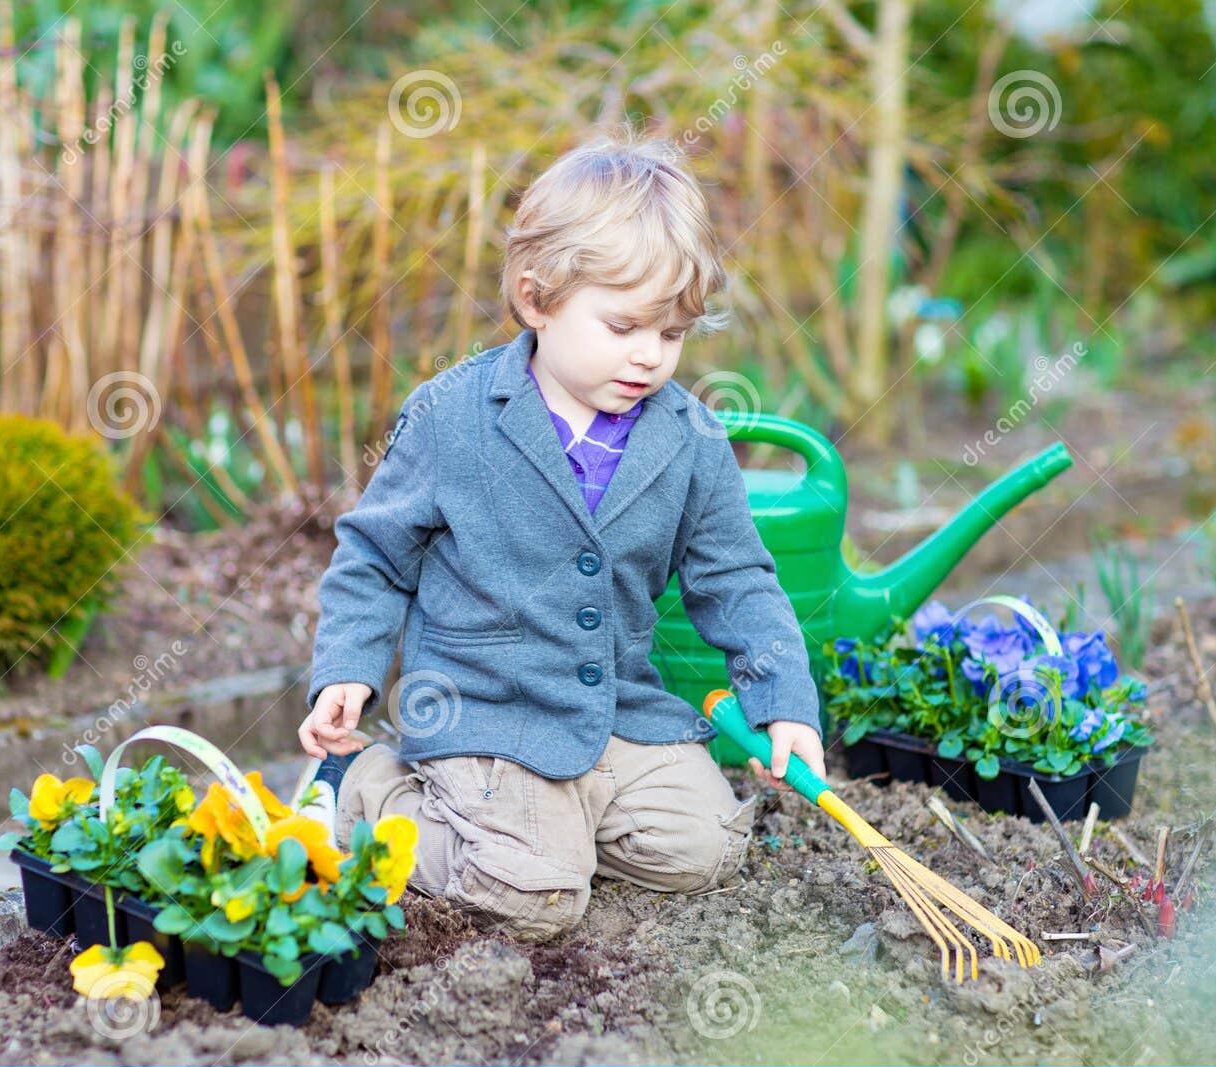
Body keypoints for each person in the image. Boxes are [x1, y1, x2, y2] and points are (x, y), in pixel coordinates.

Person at [298, 127, 824, 941]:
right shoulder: (453, 418)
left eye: (673, 334)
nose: (650, 356)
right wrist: (349, 668)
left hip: (614, 712)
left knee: (708, 846)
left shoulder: (690, 440)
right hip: (480, 712)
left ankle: (544, 834)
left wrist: (782, 696)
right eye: (623, 327)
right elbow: (374, 557)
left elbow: (737, 578)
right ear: (536, 299)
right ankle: (366, 791)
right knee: (531, 901)